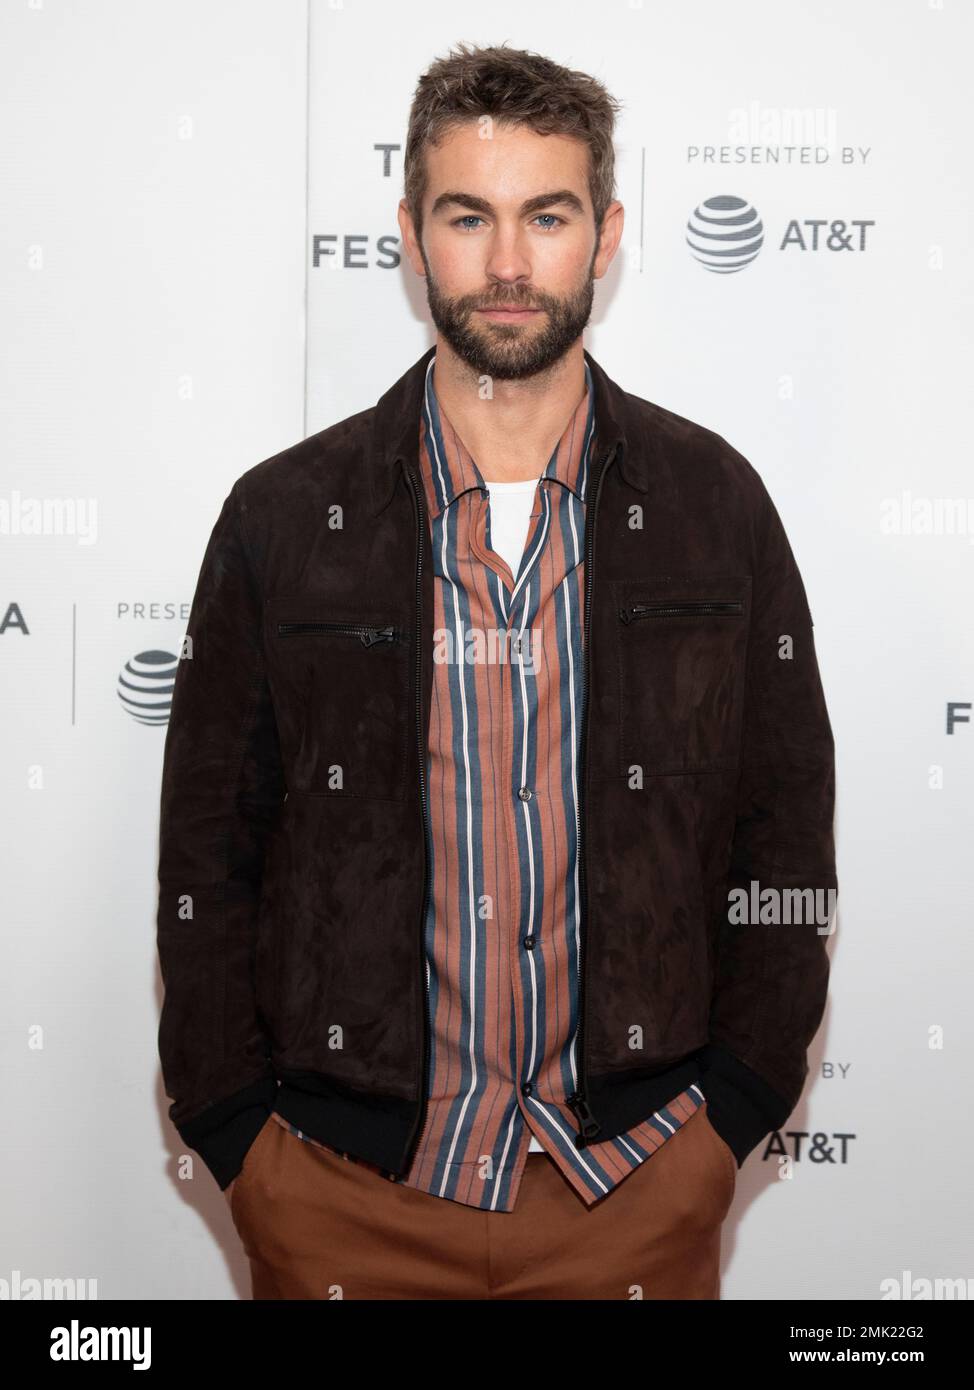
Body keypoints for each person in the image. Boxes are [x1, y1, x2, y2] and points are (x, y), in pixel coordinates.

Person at [156, 41, 837, 1300]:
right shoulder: (286, 517)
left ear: (607, 232)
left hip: (632, 1190)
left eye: (548, 215)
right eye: (469, 216)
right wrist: (244, 1144)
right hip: (344, 1193)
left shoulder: (709, 507)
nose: (509, 265)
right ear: (410, 234)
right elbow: (210, 855)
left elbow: (779, 837)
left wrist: (726, 1119)